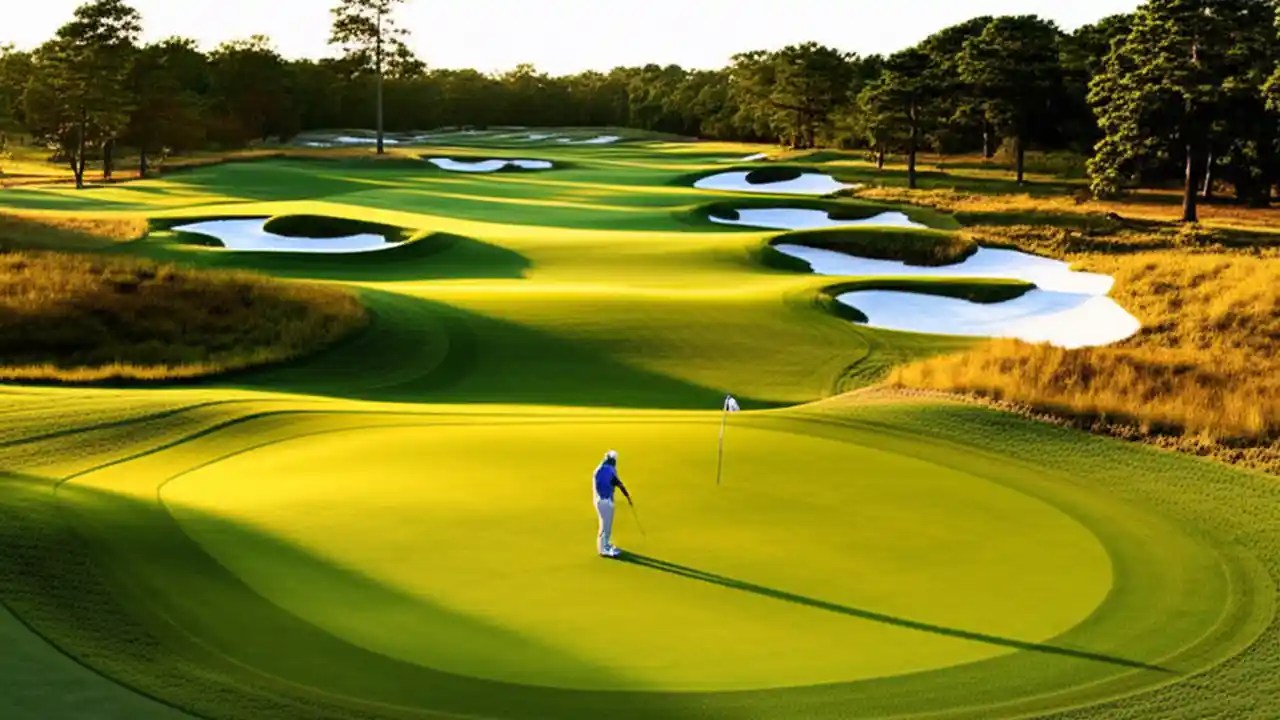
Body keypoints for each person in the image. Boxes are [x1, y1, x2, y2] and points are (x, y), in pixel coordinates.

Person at [593, 449, 631, 558]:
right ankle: (604, 549)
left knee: (604, 526)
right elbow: (618, 483)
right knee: (606, 527)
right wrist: (627, 496)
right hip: (605, 502)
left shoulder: (599, 469)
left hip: (599, 501)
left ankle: (605, 546)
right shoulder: (609, 470)